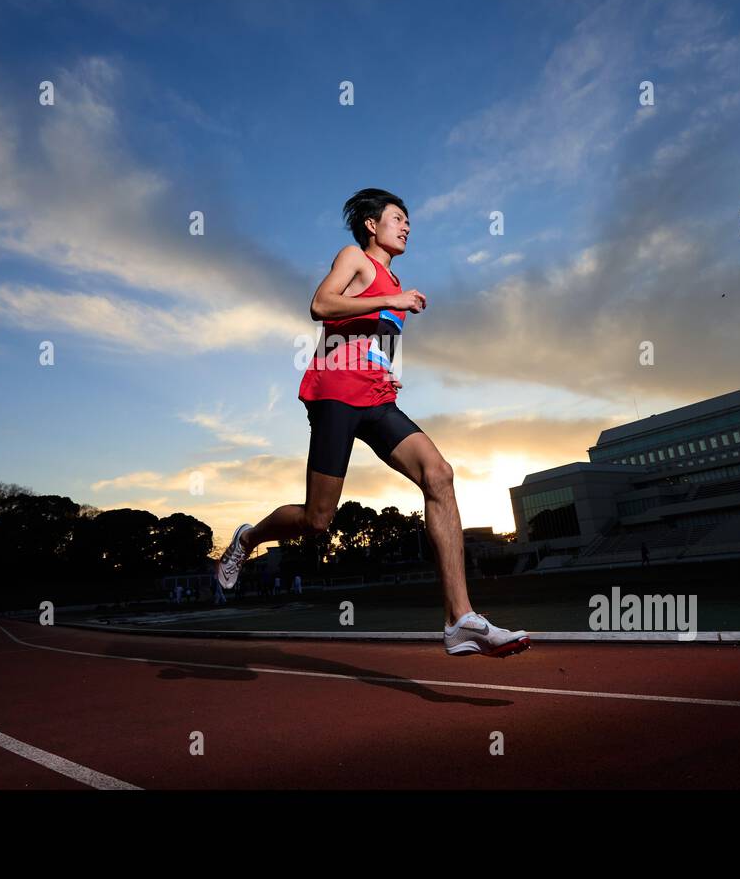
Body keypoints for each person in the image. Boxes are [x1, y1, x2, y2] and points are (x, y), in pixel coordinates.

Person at [214, 189, 530, 657]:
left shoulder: (394, 284)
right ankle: (249, 537)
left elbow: (379, 341)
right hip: (337, 394)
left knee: (439, 475)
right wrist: (393, 296)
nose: (406, 227)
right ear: (370, 224)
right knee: (318, 520)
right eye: (398, 218)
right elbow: (321, 305)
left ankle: (460, 619)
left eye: (408, 222)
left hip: (377, 398)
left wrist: (388, 370)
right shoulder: (356, 260)